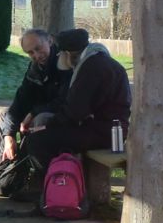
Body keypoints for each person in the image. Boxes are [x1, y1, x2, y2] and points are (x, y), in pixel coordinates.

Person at [20, 28, 131, 175]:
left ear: (68, 54)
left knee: (36, 142)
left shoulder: (91, 68)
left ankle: (56, 186)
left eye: (60, 54)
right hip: (105, 128)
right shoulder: (97, 61)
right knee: (44, 136)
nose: (59, 57)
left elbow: (75, 111)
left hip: (105, 132)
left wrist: (48, 127)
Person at [0, 29, 72, 162]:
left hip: (59, 118)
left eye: (38, 48)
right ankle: (7, 164)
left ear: (50, 41)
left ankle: (39, 168)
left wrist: (33, 113)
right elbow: (21, 99)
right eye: (30, 52)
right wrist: (8, 135)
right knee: (0, 116)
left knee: (42, 118)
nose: (37, 55)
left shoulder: (65, 63)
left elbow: (63, 101)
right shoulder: (34, 68)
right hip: (36, 113)